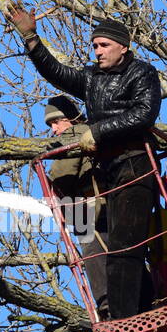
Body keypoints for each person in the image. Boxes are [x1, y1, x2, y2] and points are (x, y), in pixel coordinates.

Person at [8, 2, 163, 332]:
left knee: (124, 250)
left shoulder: (142, 73)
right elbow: (57, 72)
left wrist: (100, 131)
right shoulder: (93, 80)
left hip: (135, 167)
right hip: (110, 173)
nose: (96, 51)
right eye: (94, 46)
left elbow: (144, 115)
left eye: (103, 45)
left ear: (123, 47)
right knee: (115, 252)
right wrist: (30, 38)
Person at [41, 94, 109, 320]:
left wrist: (55, 192)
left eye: (55, 122)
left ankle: (108, 305)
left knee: (93, 253)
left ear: (69, 118)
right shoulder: (96, 132)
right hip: (111, 204)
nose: (53, 129)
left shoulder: (76, 133)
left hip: (92, 208)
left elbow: (62, 175)